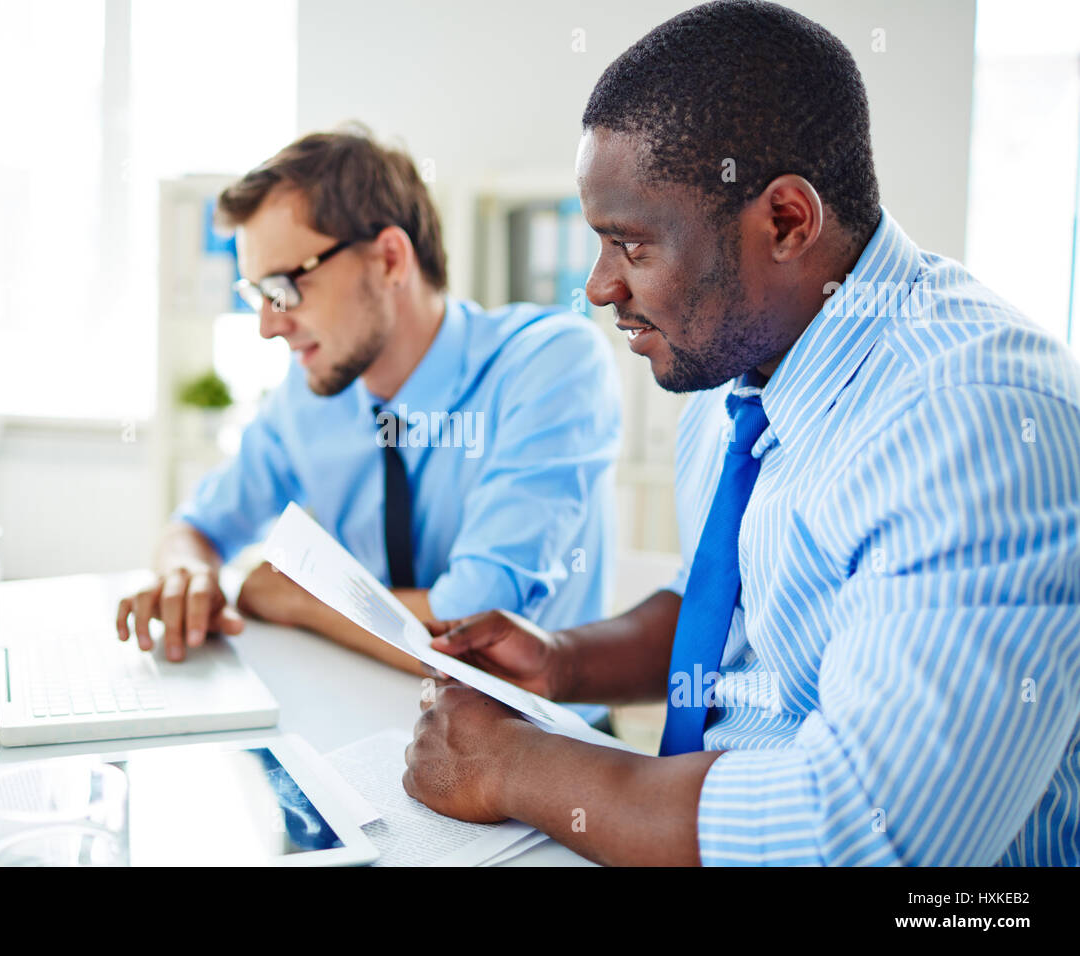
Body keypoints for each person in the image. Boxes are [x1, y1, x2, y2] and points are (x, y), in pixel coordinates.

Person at [403, 0, 1080, 866]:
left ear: (788, 223)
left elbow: (870, 832)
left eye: (632, 245)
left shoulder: (972, 420)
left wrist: (513, 766)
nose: (600, 285)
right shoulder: (740, 372)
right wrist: (564, 663)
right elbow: (720, 607)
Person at [116, 129, 621, 713]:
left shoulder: (551, 363)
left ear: (388, 259)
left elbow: (474, 634)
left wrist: (298, 596)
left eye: (283, 288)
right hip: (367, 713)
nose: (267, 326)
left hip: (541, 748)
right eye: (255, 294)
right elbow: (199, 526)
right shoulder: (311, 394)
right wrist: (188, 574)